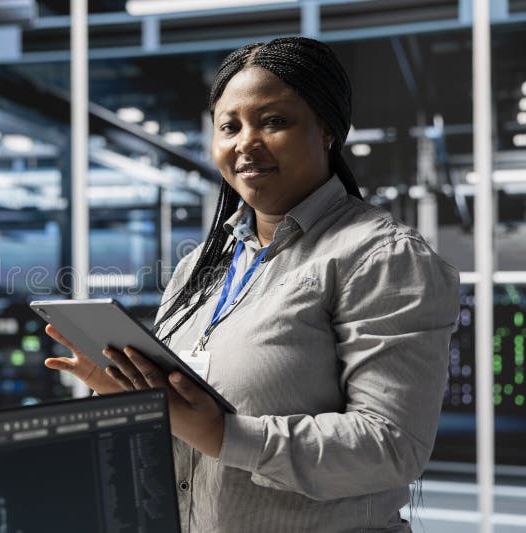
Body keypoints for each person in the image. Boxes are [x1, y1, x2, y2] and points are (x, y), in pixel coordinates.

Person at [44, 37, 459, 532]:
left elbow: (391, 446)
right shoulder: (200, 268)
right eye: (229, 126)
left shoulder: (381, 259)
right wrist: (129, 402)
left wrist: (224, 434)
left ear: (327, 129)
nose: (245, 143)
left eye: (274, 121)